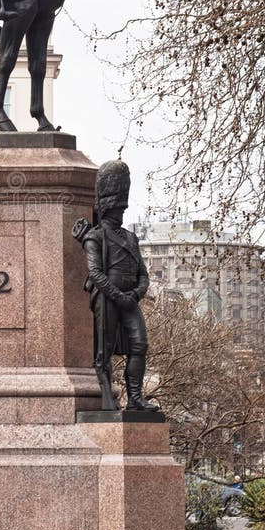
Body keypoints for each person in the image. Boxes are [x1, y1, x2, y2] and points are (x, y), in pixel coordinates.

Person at [74, 160, 159, 411]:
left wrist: (135, 294)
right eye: (118, 208)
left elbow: (143, 274)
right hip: (107, 299)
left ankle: (135, 399)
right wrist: (118, 296)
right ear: (109, 208)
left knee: (139, 345)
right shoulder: (94, 236)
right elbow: (95, 273)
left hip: (129, 299)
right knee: (105, 349)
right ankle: (106, 398)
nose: (121, 212)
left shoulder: (130, 237)